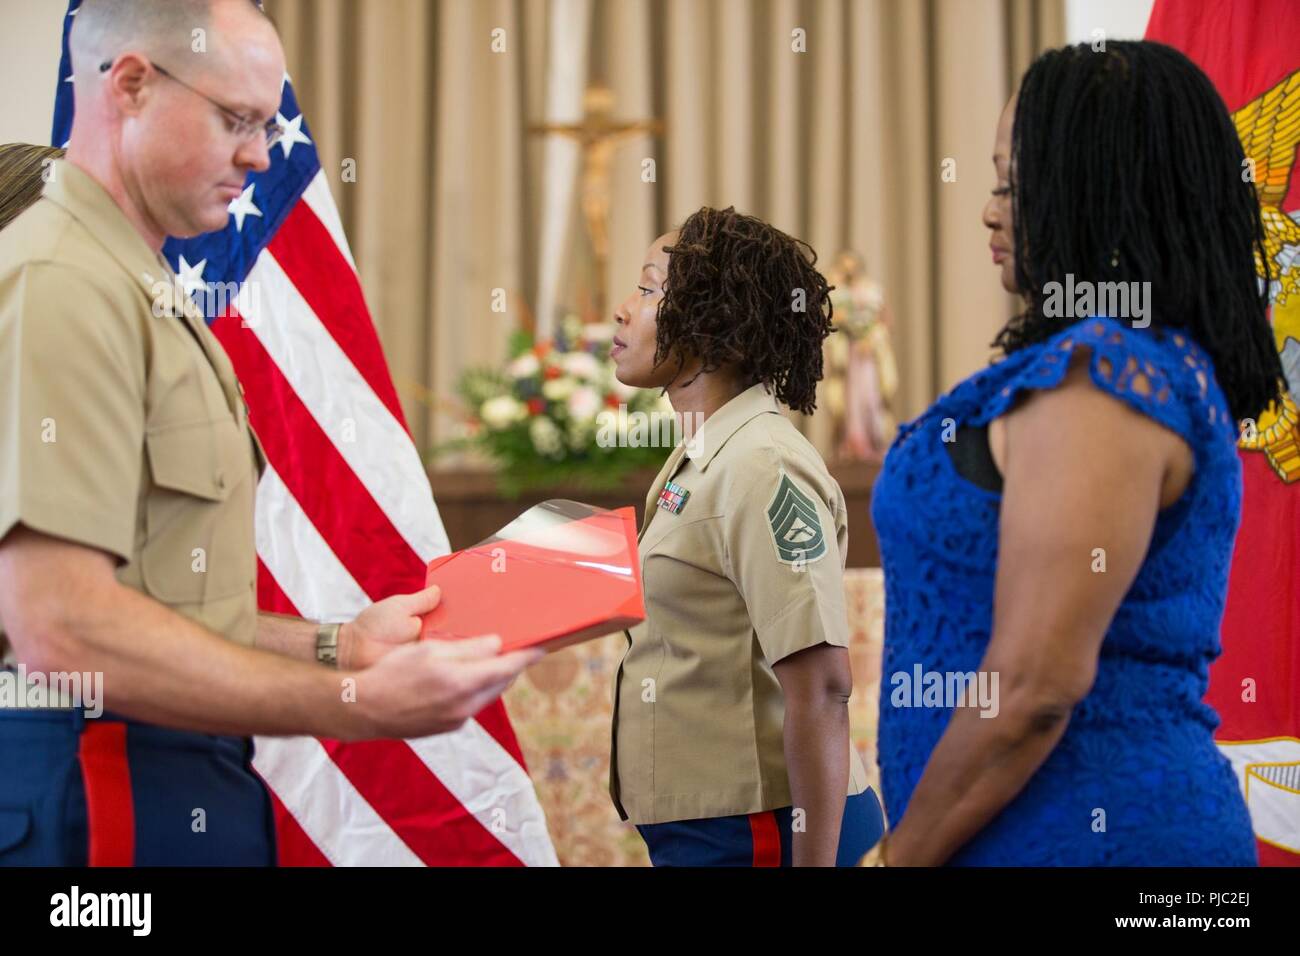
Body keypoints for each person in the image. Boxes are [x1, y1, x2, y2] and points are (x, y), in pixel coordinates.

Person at [0, 0, 539, 866]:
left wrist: (340, 644)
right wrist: (357, 700)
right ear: (131, 85)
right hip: (102, 794)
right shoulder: (64, 282)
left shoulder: (135, 281)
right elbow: (64, 629)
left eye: (264, 123)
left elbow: (168, 602)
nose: (260, 154)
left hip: (174, 781)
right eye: (236, 120)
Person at [872, 41, 1284, 866]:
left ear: (1101, 192)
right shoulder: (1107, 364)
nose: (990, 211)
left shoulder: (1108, 378)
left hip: (1094, 836)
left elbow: (1034, 688)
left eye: (1013, 184)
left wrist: (897, 859)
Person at [607, 206, 884, 866]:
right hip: (711, 829)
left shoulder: (761, 466)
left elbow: (821, 688)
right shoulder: (706, 454)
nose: (623, 310)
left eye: (648, 290)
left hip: (766, 831)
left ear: (712, 321)